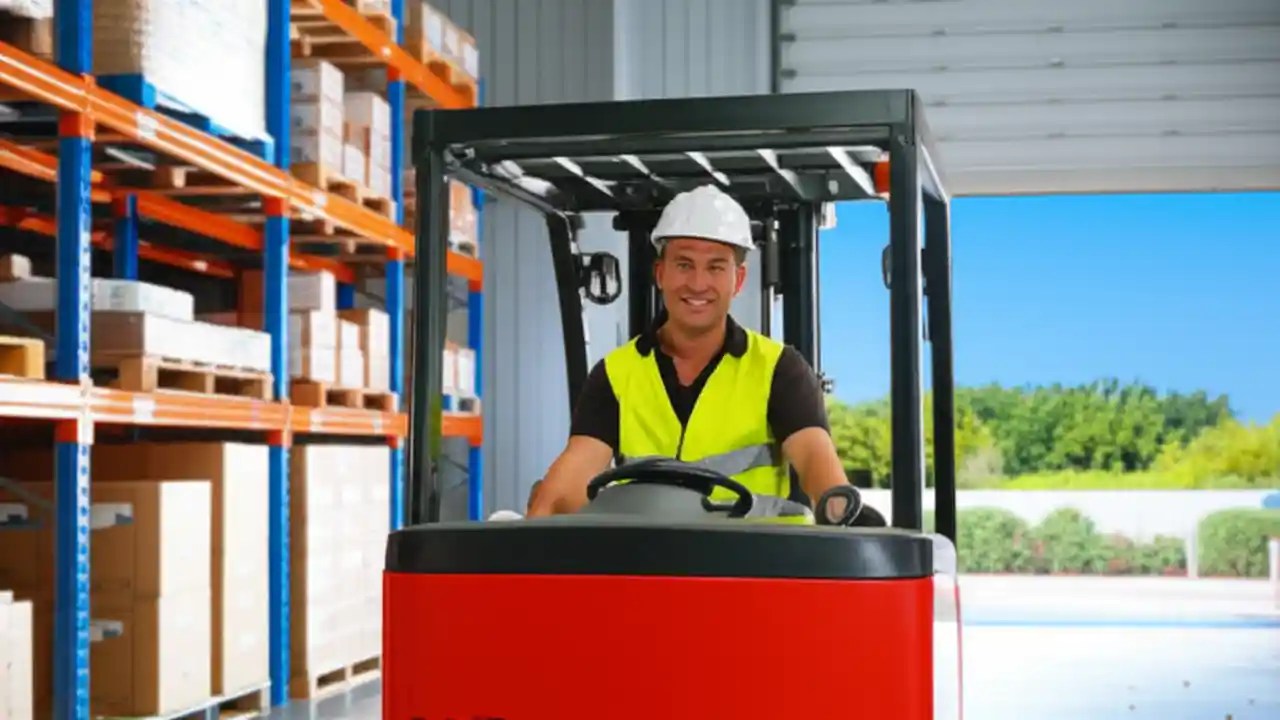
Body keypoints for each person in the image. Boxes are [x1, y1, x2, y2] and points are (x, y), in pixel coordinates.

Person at [526, 184, 852, 521]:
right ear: (660, 273)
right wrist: (542, 517)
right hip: (654, 566)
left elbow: (817, 462)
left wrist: (838, 508)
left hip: (757, 566)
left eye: (715, 268)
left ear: (737, 281)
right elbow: (572, 477)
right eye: (684, 265)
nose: (697, 284)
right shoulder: (615, 374)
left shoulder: (779, 370)